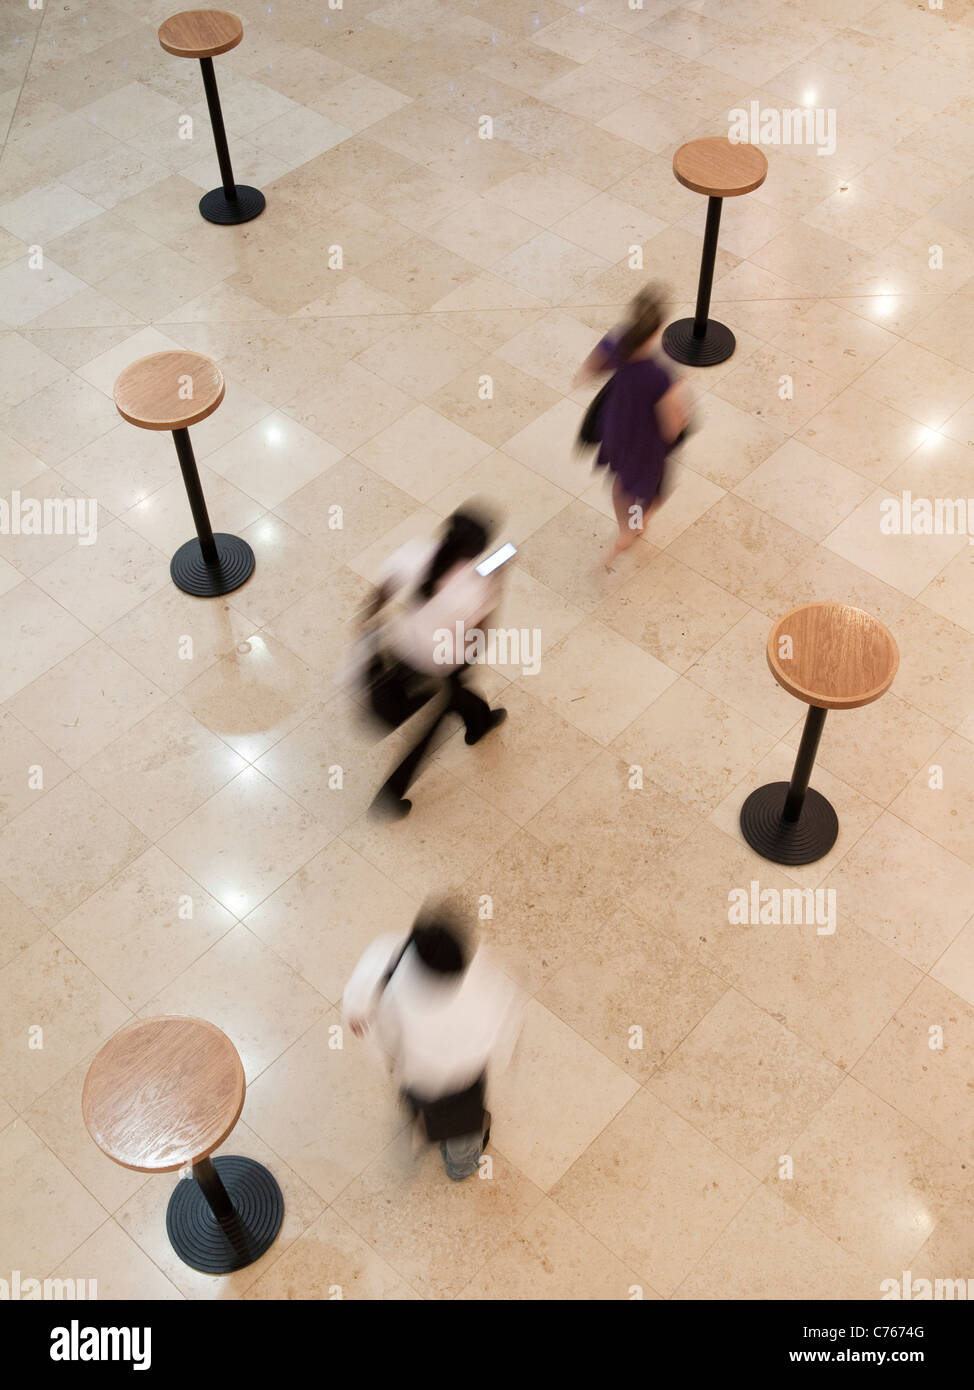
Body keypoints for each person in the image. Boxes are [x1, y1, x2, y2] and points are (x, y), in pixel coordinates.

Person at [342, 906, 521, 1181]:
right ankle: (460, 1167)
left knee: (423, 1109)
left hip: (410, 1077)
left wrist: (357, 1016)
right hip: (457, 1085)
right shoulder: (478, 992)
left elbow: (356, 998)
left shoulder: (389, 951)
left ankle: (422, 1123)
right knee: (463, 1129)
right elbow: (502, 1037)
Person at [364, 507, 508, 818]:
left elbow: (379, 594)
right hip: (439, 663)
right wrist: (495, 586)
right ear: (476, 552)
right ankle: (391, 795)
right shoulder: (475, 586)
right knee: (433, 724)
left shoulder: (418, 551)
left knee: (458, 694)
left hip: (402, 647)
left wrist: (368, 627)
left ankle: (479, 722)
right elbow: (476, 641)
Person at [575, 284, 690, 567]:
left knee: (621, 483)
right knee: (657, 491)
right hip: (645, 442)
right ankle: (633, 528)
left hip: (616, 426)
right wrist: (683, 413)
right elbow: (671, 428)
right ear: (657, 330)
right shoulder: (660, 377)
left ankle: (626, 525)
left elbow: (586, 373)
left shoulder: (615, 344)